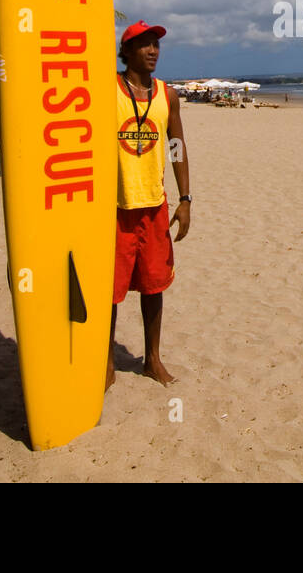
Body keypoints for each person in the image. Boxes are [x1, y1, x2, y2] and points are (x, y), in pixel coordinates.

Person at [107, 21, 191, 390]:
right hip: (113, 207)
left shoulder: (166, 95)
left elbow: (176, 146)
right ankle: (105, 362)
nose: (153, 51)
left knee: (154, 285)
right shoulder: (105, 87)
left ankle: (151, 360)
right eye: (143, 45)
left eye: (156, 44)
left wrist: (185, 199)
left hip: (153, 204)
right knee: (108, 290)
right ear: (125, 52)